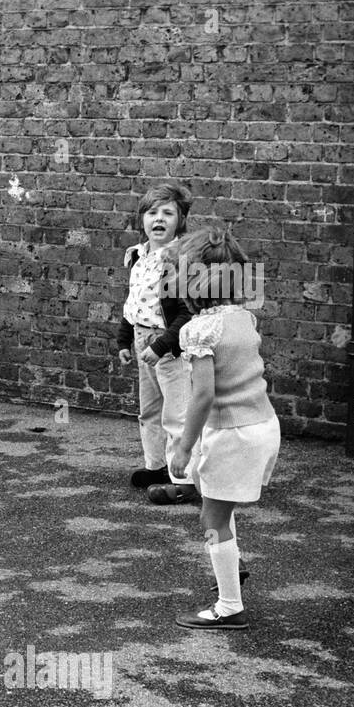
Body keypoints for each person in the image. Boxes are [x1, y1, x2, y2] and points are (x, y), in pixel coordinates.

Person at [168, 226, 279, 630]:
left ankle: (229, 607)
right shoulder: (243, 317)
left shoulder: (197, 330)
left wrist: (182, 447)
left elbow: (203, 396)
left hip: (234, 433)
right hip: (263, 424)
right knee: (213, 496)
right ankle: (233, 564)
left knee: (211, 520)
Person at [116, 182, 197, 504]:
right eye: (152, 212)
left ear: (180, 220)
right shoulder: (138, 256)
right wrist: (125, 339)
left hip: (171, 347)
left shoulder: (181, 260)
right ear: (142, 220)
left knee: (178, 414)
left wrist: (162, 345)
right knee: (149, 411)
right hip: (141, 340)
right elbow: (133, 303)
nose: (158, 219)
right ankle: (157, 466)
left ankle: (184, 477)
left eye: (168, 213)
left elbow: (188, 313)